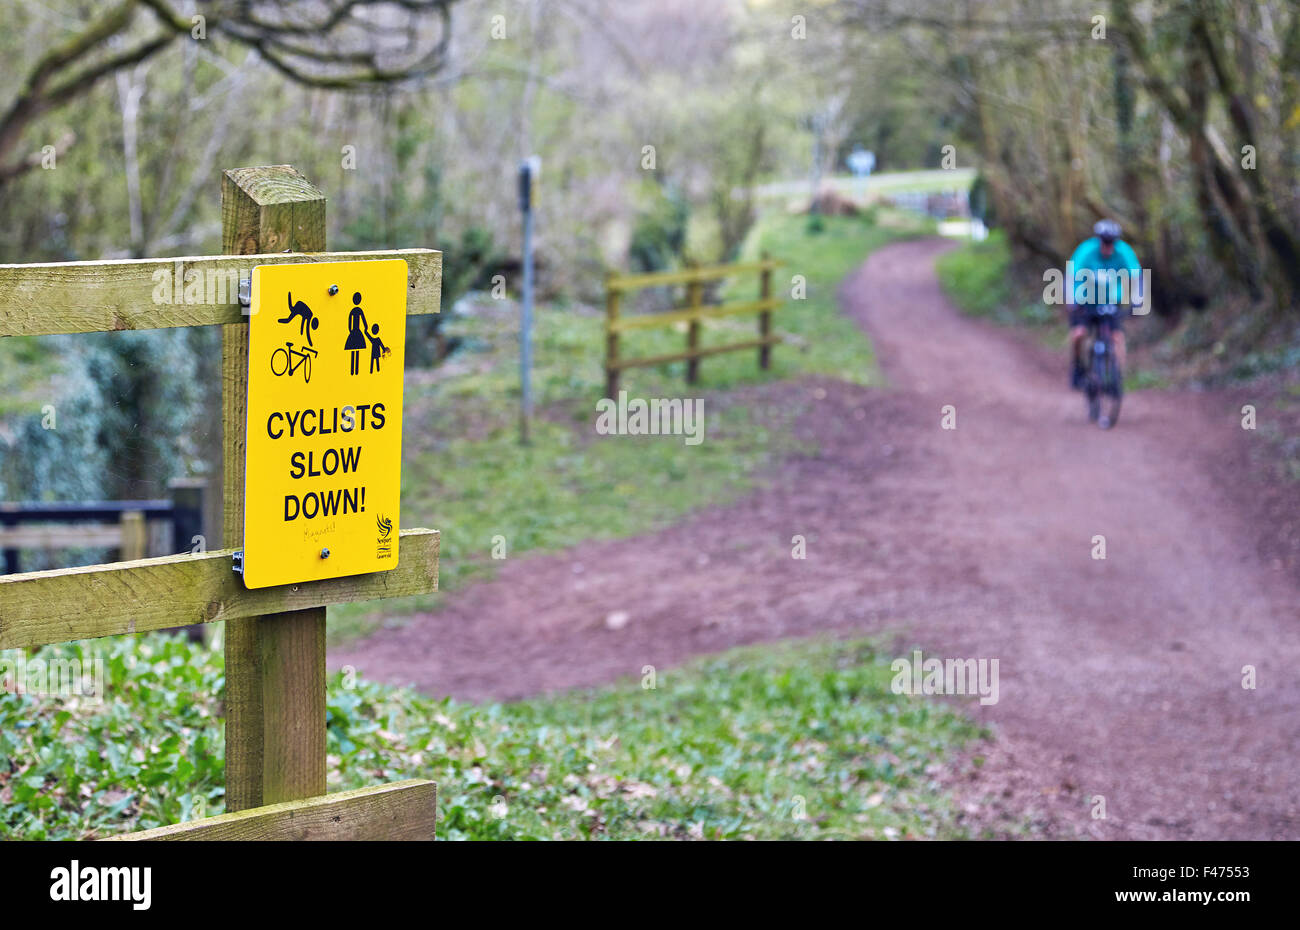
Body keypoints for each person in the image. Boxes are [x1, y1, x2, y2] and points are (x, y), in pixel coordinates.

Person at [1066, 219, 1142, 389]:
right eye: (1105, 242)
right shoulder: (1086, 251)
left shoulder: (1123, 252)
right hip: (1084, 301)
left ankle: (1117, 379)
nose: (1108, 247)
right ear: (1098, 240)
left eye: (1112, 243)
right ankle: (1078, 366)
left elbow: (1137, 276)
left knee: (1117, 338)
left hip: (1110, 301)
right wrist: (1071, 301)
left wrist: (1137, 301)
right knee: (1079, 334)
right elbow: (1070, 276)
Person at [344, 291, 368, 375]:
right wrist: (365, 328)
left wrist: (350, 330)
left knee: (355, 350)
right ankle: (355, 370)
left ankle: (354, 370)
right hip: (357, 331)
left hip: (354, 331)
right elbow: (363, 320)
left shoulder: (354, 311)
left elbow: (349, 321)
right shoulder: (358, 310)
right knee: (356, 350)